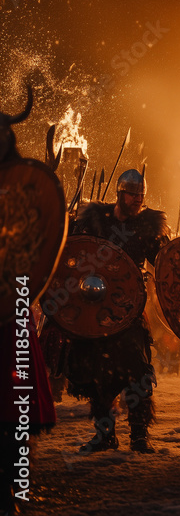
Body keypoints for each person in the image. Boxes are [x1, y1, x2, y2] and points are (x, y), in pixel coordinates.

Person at [60, 168, 170, 454]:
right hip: (95, 310)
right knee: (97, 376)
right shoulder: (96, 221)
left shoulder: (146, 227)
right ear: (121, 193)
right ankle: (105, 434)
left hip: (128, 311)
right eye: (133, 194)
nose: (138, 200)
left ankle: (138, 436)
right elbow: (72, 250)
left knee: (138, 374)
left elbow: (165, 261)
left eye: (141, 196)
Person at [1, 87, 57, 513]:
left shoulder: (23, 187)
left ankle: (16, 487)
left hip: (8, 314)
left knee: (15, 410)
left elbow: (32, 250)